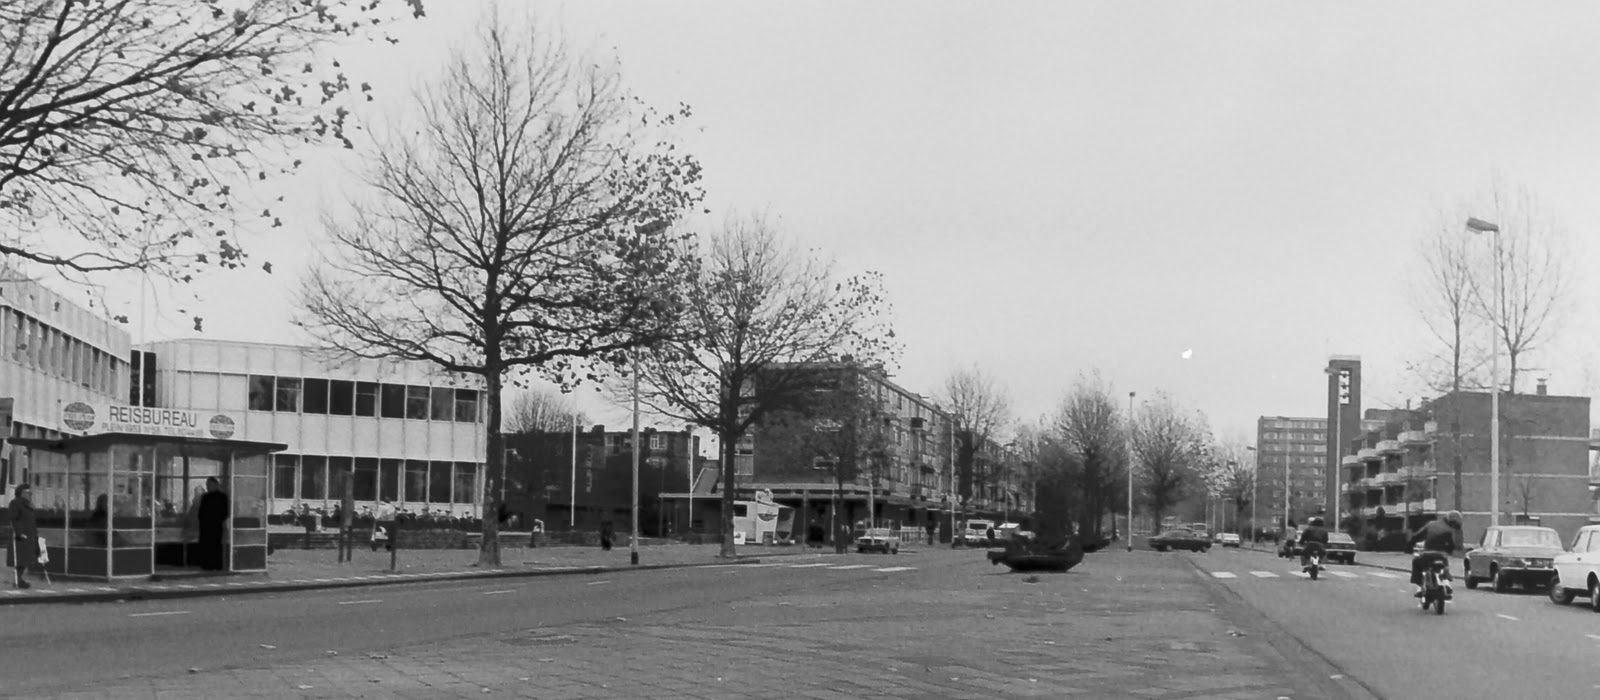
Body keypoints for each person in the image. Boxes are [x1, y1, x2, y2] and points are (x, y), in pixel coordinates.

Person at [1408, 510, 1460, 598]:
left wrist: (1409, 546)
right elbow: (1451, 545)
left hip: (1427, 554)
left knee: (1416, 562)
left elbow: (1417, 536)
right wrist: (1449, 550)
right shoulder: (1449, 530)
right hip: (1441, 555)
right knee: (1445, 564)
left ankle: (1420, 586)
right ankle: (1446, 582)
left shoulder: (1430, 525)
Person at [8, 484, 39, 589]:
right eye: (28, 493)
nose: (30, 495)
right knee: (20, 559)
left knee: (27, 558)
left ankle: (19, 579)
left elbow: (32, 521)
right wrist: (19, 532)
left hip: (30, 535)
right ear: (22, 493)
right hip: (21, 536)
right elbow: (14, 519)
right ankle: (17, 580)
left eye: (31, 493)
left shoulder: (29, 505)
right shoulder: (15, 503)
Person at [196, 477, 230, 571]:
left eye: (209, 485)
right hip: (207, 526)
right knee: (207, 545)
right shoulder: (205, 497)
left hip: (215, 525)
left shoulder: (222, 497)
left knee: (215, 545)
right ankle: (207, 564)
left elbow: (225, 512)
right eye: (207, 485)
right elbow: (201, 512)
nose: (207, 487)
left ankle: (215, 565)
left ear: (215, 485)